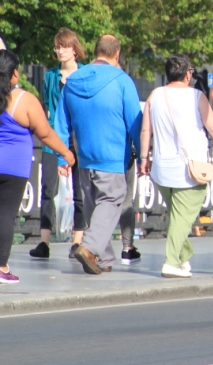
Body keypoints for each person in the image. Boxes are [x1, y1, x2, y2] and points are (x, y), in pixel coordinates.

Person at [139, 55, 213, 278]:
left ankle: (182, 257)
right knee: (183, 217)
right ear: (188, 74)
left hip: (161, 169)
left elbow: (146, 131)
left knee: (176, 214)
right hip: (190, 169)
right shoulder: (197, 96)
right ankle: (171, 261)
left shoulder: (155, 95)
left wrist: (144, 158)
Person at [55, 35, 142, 274]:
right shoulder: (122, 81)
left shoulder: (72, 81)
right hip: (112, 155)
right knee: (111, 200)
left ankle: (102, 259)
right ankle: (90, 247)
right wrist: (143, 154)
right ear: (117, 55)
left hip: (85, 156)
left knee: (94, 205)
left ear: (95, 52)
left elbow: (60, 123)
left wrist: (63, 156)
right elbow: (135, 123)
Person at [0, 50, 76, 284]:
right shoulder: (23, 99)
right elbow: (44, 133)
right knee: (5, 214)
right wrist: (66, 152)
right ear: (14, 72)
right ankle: (1, 266)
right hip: (14, 167)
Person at [29, 28, 88, 261]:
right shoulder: (50, 76)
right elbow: (48, 108)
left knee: (80, 191)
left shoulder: (86, 73)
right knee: (48, 190)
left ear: (75, 48)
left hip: (79, 139)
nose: (60, 51)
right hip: (53, 139)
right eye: (57, 47)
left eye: (64, 46)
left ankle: (77, 241)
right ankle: (44, 242)